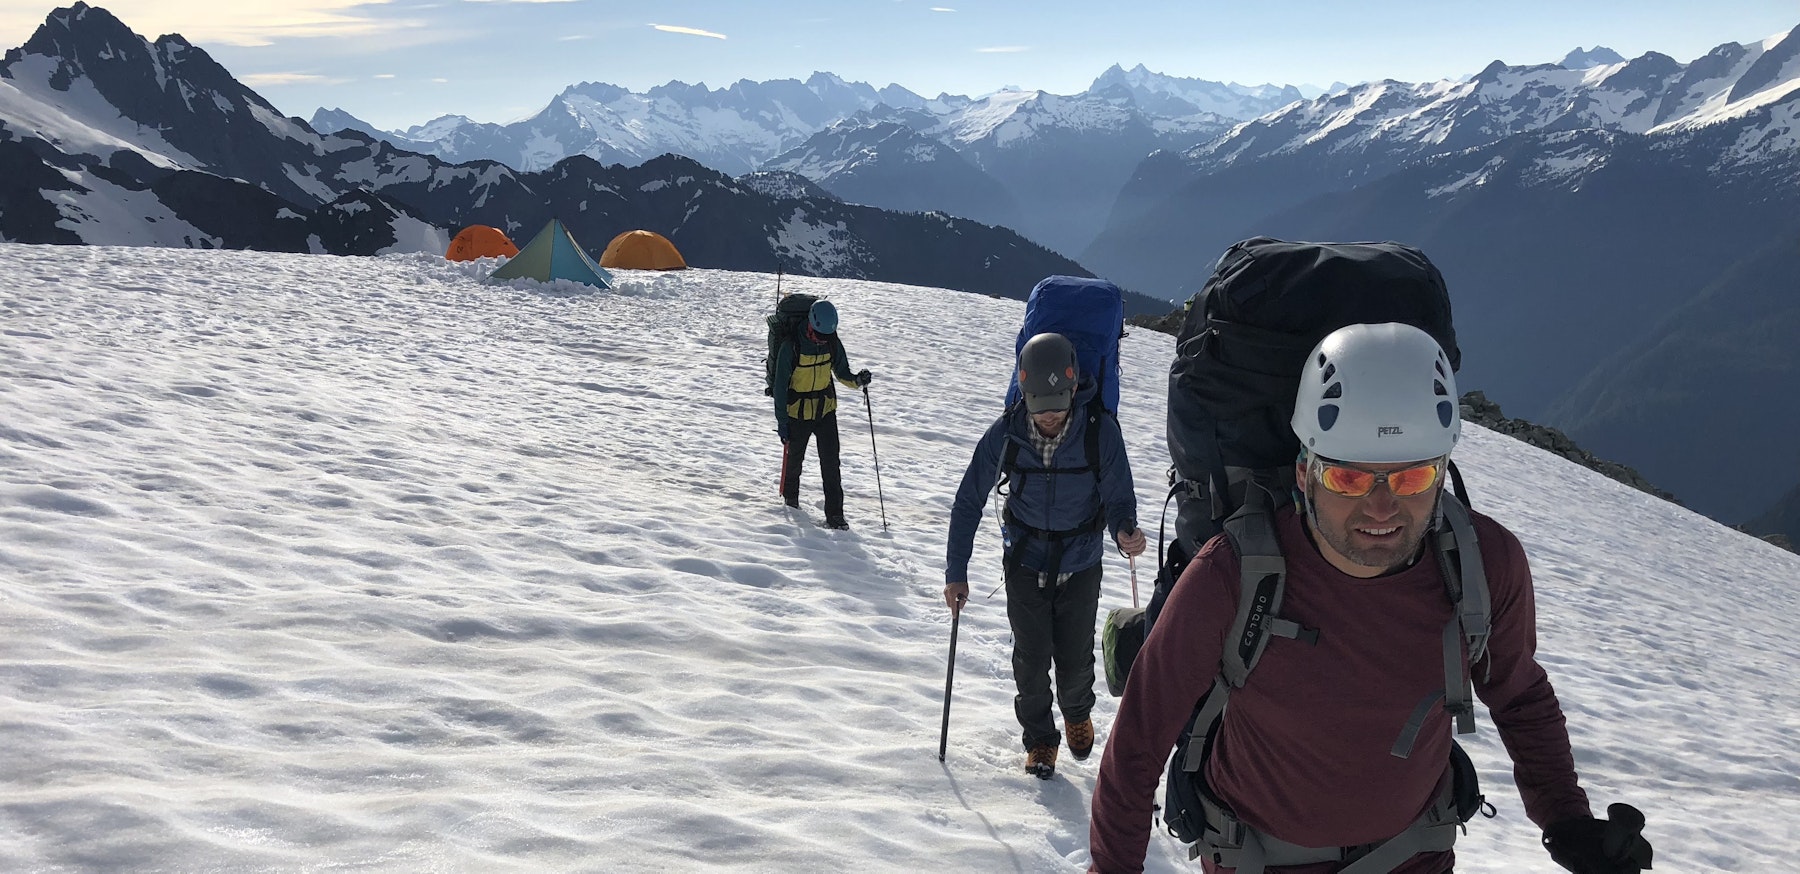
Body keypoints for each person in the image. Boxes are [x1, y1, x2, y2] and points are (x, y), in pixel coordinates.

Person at [1087, 323, 1653, 873]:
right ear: (1305, 475)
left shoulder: (1483, 564)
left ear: (1441, 474)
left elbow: (1519, 695)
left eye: (1411, 479)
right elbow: (1141, 736)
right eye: (1350, 480)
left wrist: (1567, 821)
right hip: (1253, 857)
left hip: (1416, 854)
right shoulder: (1231, 574)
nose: (1382, 508)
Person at [945, 332, 1146, 779]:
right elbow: (968, 500)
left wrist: (1124, 530)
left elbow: (1118, 497)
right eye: (1040, 408)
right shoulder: (1007, 434)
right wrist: (956, 571)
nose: (1050, 417)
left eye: (1058, 406)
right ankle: (1039, 739)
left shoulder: (1099, 433)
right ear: (1025, 395)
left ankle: (1077, 712)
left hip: (1081, 562)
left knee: (1075, 660)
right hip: (1024, 560)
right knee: (1030, 660)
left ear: (1074, 390)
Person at [771, 298, 870, 529]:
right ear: (810, 324)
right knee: (794, 461)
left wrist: (857, 380)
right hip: (798, 414)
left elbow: (842, 372)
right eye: (818, 335)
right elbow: (780, 387)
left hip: (825, 411)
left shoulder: (831, 342)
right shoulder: (791, 347)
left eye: (826, 336)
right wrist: (782, 421)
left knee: (831, 463)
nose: (822, 340)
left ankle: (835, 516)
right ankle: (791, 501)